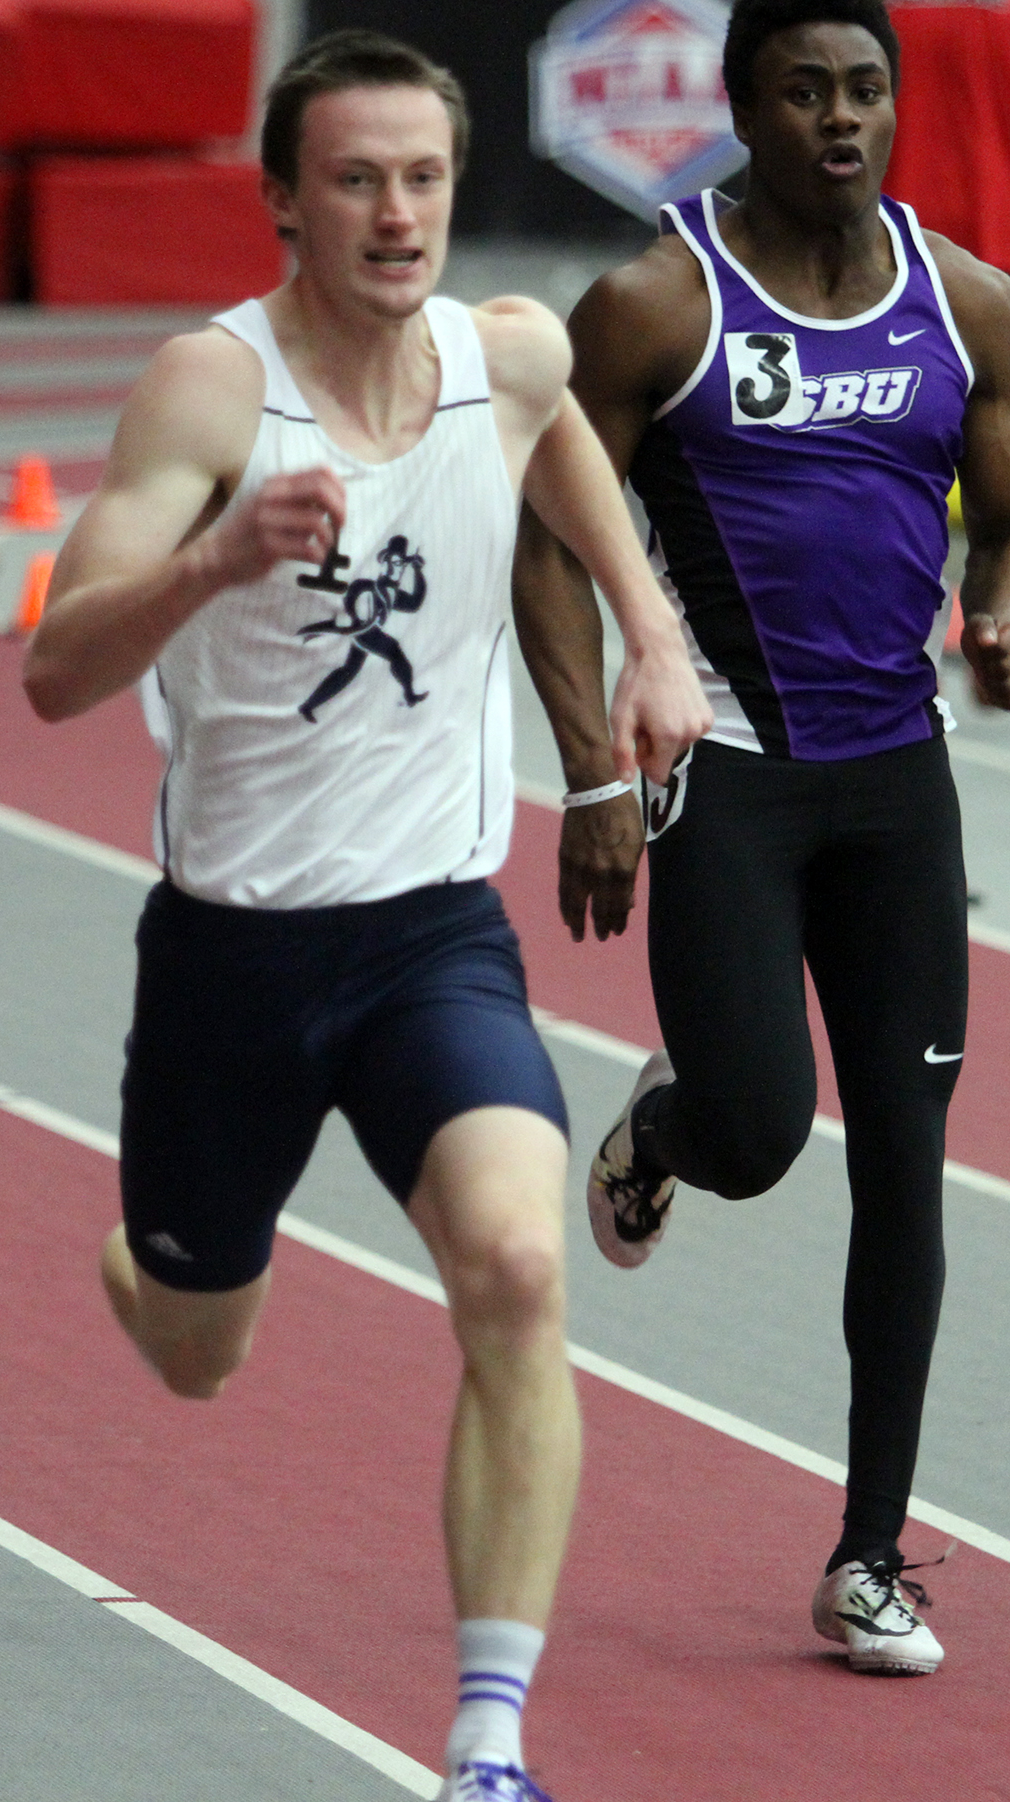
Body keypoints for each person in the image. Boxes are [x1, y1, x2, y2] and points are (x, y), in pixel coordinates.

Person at [22, 29, 711, 1799]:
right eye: (354, 179)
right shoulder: (206, 393)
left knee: (520, 1262)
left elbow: (557, 443)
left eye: (422, 177)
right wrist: (217, 559)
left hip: (427, 935)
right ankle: (154, 1261)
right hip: (236, 957)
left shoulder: (509, 351)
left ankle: (488, 1742)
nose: (397, 213)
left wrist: (648, 627)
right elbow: (51, 671)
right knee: (196, 1349)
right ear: (282, 202)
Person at [513, 0, 1010, 1678]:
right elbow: (547, 533)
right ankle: (665, 1128)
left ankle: (869, 1552)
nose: (843, 119)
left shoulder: (963, 300)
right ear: (741, 109)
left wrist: (1001, 596)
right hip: (726, 770)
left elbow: (1005, 457)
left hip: (897, 788)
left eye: (867, 88)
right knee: (757, 1121)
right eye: (806, 91)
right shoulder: (658, 301)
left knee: (904, 1151)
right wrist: (591, 766)